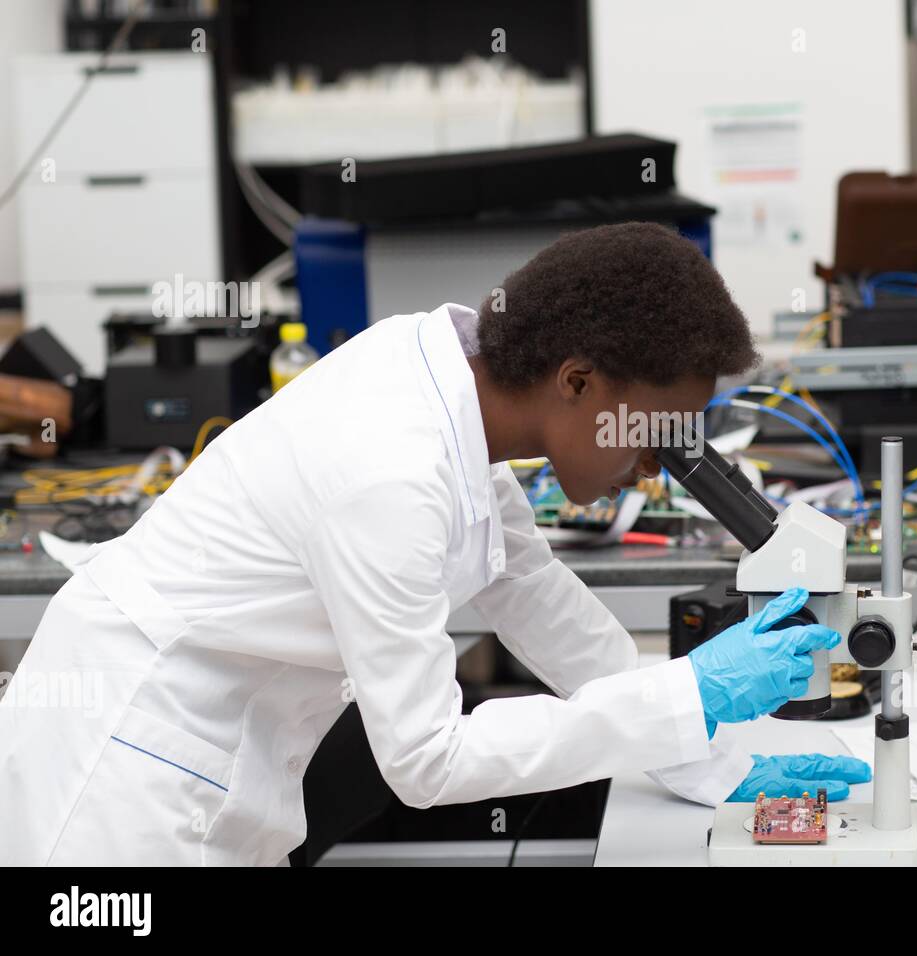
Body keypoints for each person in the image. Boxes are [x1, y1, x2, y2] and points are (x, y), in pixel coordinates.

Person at [0, 222, 869, 865]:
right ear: (577, 380)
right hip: (124, 786)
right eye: (655, 430)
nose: (653, 467)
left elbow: (541, 605)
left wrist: (711, 757)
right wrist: (691, 689)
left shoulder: (453, 389)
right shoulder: (392, 467)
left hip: (221, 754)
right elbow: (425, 761)